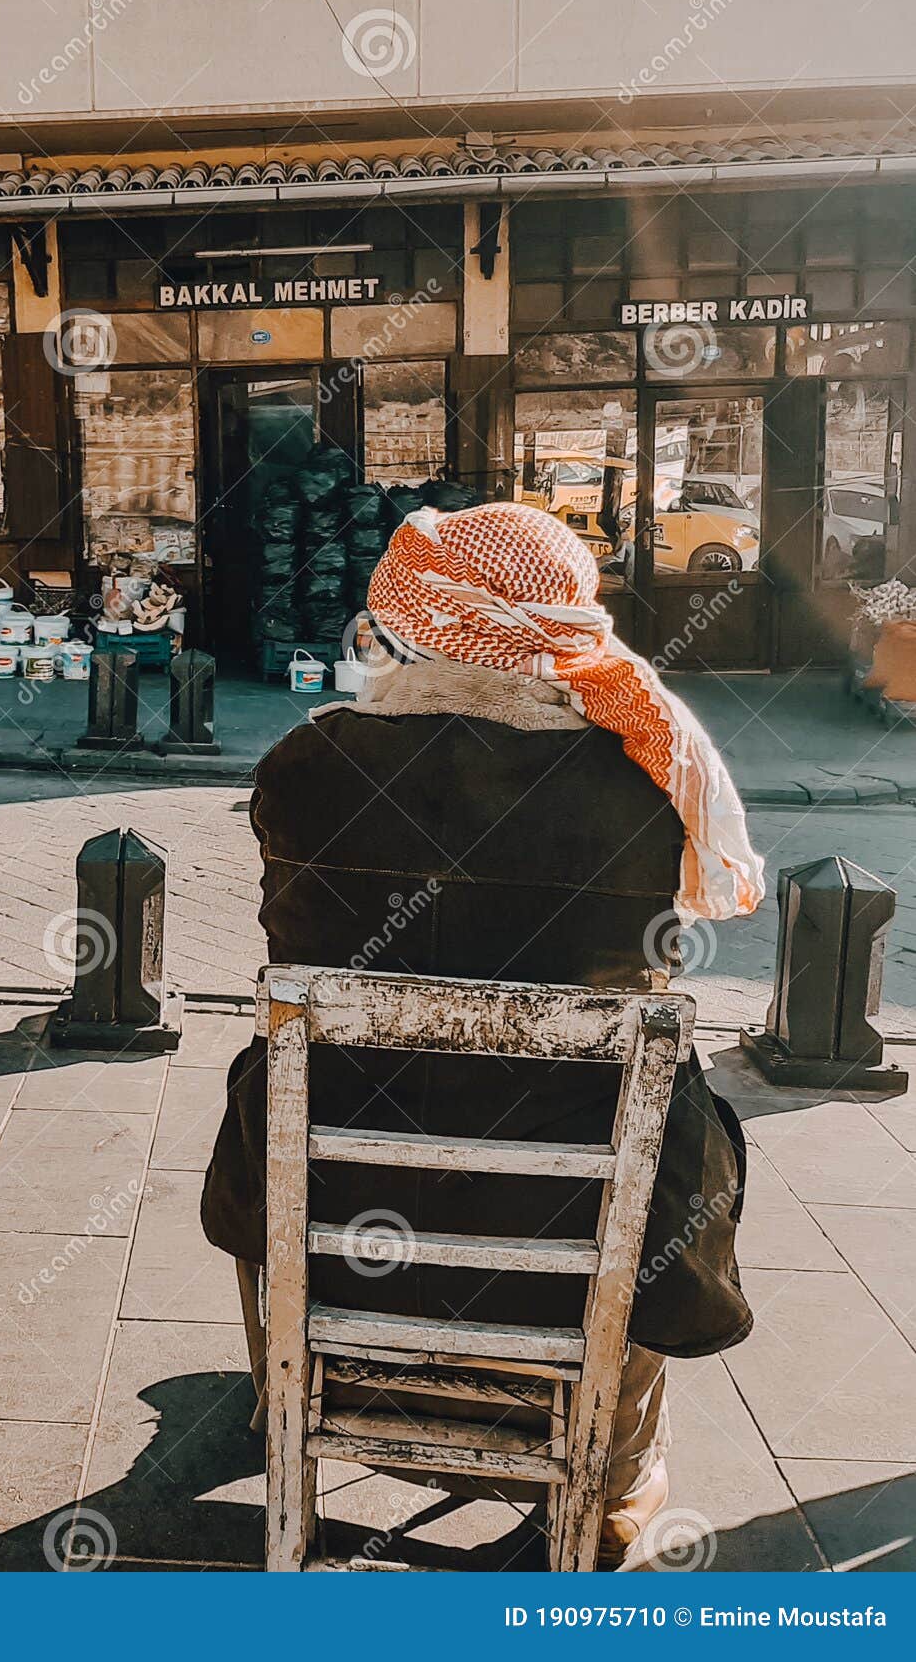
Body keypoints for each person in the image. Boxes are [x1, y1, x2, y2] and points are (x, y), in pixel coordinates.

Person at [202, 500, 765, 1568]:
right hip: (566, 1234)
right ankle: (603, 1479)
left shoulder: (304, 767)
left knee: (259, 1087)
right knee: (673, 1133)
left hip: (342, 1216)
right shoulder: (641, 788)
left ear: (411, 625)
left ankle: (293, 1400)